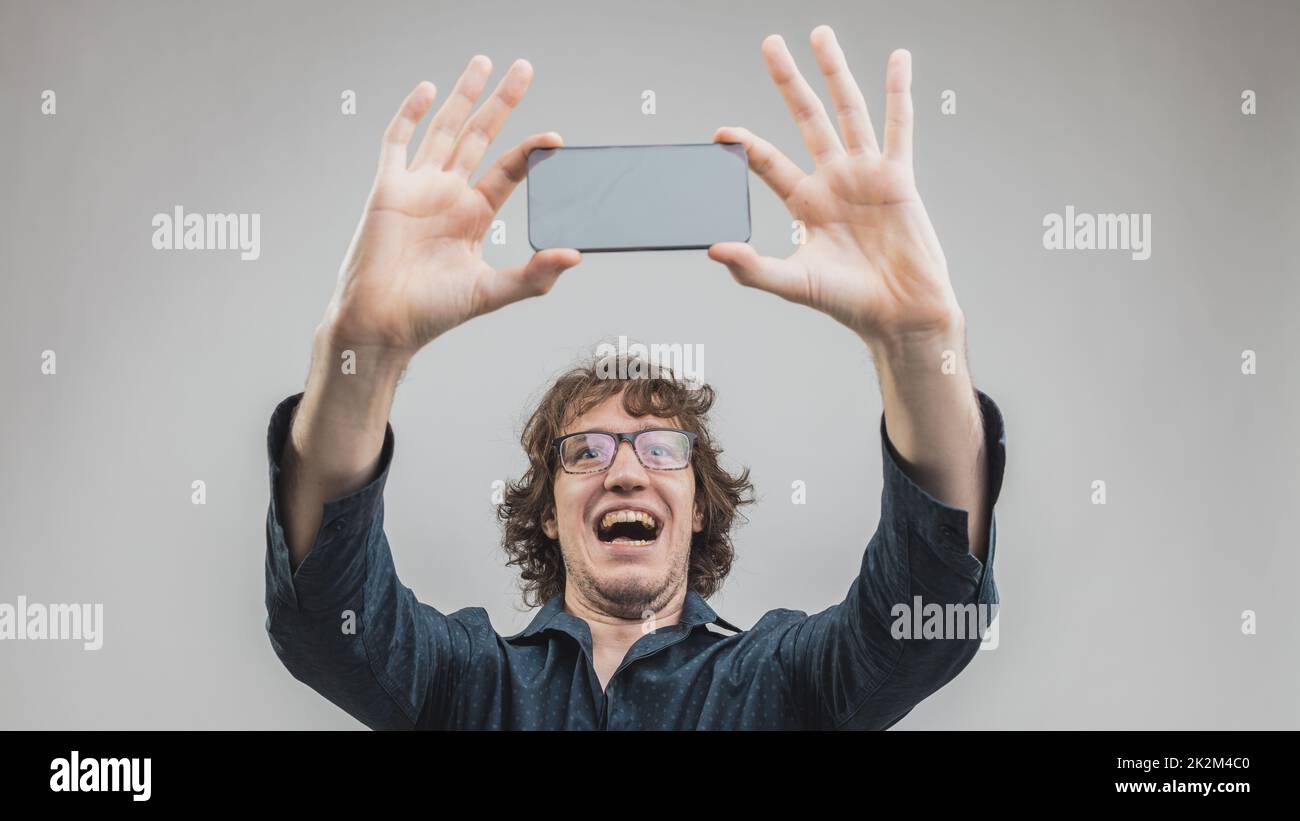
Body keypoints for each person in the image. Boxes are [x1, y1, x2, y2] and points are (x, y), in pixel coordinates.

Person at [264, 25, 1006, 729]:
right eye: (587, 450)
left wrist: (919, 344)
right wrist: (362, 353)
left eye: (660, 449)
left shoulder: (785, 679)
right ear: (549, 512)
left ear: (700, 505)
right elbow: (326, 620)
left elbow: (931, 614)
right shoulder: (464, 682)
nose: (623, 471)